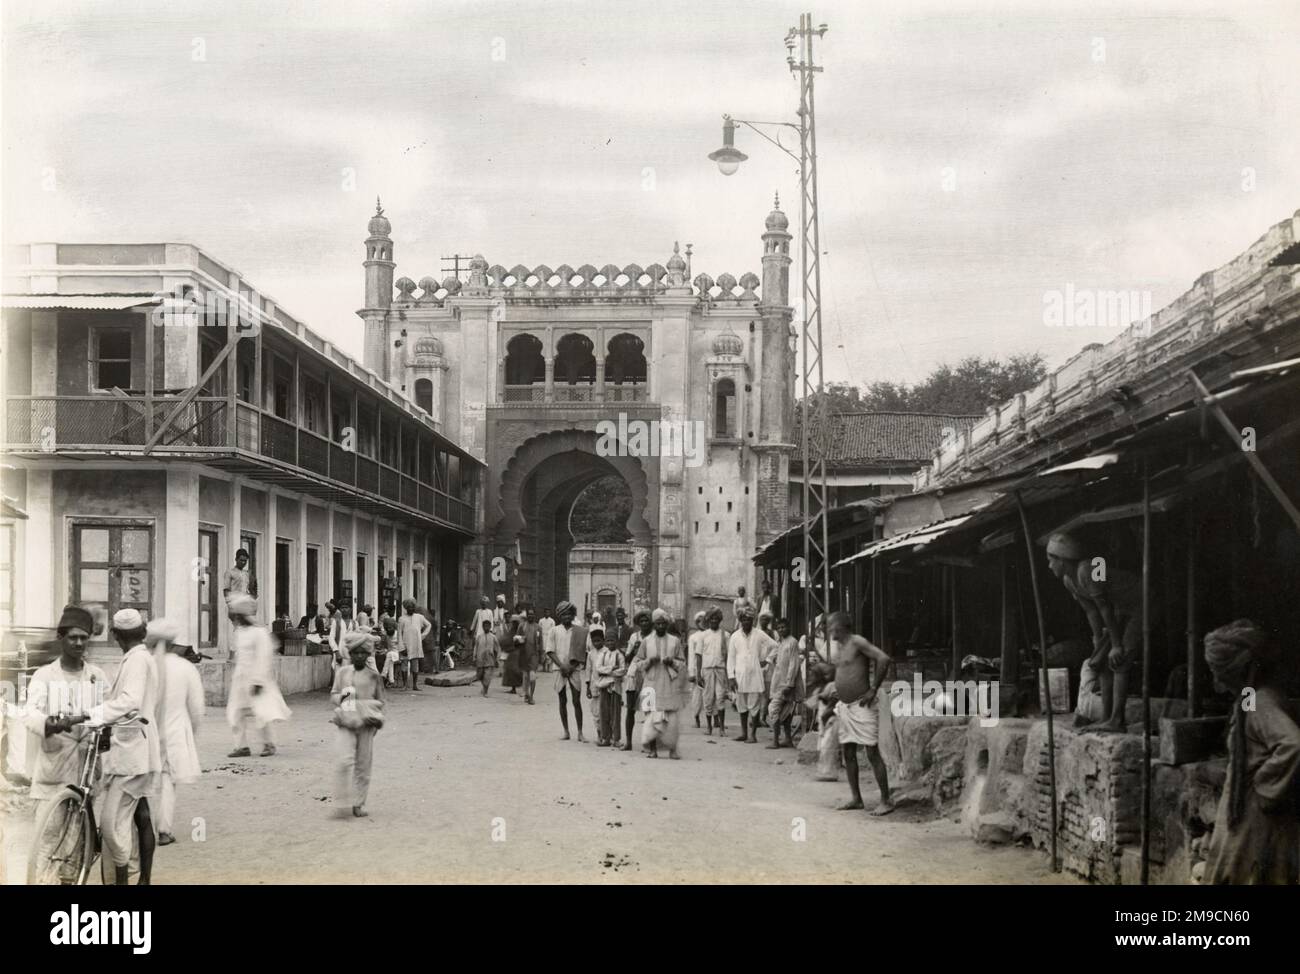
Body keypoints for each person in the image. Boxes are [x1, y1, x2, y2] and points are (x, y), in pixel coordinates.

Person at [1198, 620, 1299, 884]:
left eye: (1215, 669)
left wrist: (1263, 787)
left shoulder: (1260, 701)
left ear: (1231, 670)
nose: (1214, 677)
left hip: (1257, 818)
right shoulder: (1249, 697)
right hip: (1242, 813)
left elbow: (1293, 744)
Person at [88, 609, 161, 886]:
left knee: (110, 825)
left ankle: (123, 881)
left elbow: (130, 701)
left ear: (116, 636)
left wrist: (94, 714)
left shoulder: (138, 660)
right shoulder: (140, 657)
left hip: (133, 753)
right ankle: (143, 879)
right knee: (141, 814)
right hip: (137, 745)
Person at [1046, 531, 1139, 732]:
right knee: (1100, 663)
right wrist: (1098, 640)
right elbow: (1091, 611)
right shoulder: (1069, 580)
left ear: (1062, 560)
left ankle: (1117, 720)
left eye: (1051, 560)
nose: (1049, 566)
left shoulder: (1087, 569)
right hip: (1120, 610)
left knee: (1119, 660)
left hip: (1139, 604)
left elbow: (1104, 607)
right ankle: (1106, 717)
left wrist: (1115, 645)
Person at [24, 606, 107, 829]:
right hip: (55, 766)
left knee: (81, 832)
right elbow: (30, 712)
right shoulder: (45, 675)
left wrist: (105, 730)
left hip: (86, 765)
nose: (79, 643)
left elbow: (108, 709)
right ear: (61, 638)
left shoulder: (96, 676)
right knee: (48, 833)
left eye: (84, 638)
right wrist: (48, 724)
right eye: (73, 638)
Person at [827, 611, 893, 816]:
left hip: (862, 706)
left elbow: (883, 658)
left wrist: (873, 689)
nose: (830, 631)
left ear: (842, 627)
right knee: (848, 752)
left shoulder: (858, 642)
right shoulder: (838, 647)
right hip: (845, 706)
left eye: (832, 626)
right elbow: (844, 671)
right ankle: (856, 798)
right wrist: (837, 688)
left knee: (872, 753)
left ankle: (886, 800)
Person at [145, 619, 204, 847]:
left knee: (145, 778)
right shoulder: (185, 668)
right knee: (168, 780)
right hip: (175, 731)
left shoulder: (145, 664)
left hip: (147, 730)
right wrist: (193, 732)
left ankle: (143, 825)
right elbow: (197, 708)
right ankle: (163, 828)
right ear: (173, 643)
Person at [226, 595, 292, 757]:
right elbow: (237, 654)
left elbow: (264, 657)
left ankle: (269, 744)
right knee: (236, 711)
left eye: (237, 615)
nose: (236, 618)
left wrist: (258, 681)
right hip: (240, 678)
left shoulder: (259, 632)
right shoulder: (239, 632)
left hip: (257, 678)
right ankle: (241, 746)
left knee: (262, 711)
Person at [331, 630, 385, 818]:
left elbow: (381, 701)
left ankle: (358, 803)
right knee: (343, 761)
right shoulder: (343, 673)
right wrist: (346, 701)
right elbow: (334, 695)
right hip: (346, 721)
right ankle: (341, 801)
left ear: (368, 654)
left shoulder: (374, 676)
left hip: (366, 724)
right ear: (350, 654)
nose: (360, 656)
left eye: (363, 653)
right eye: (356, 652)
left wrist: (376, 719)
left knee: (363, 764)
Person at [634, 609, 684, 758]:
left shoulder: (675, 641)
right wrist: (649, 661)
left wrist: (672, 661)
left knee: (672, 718)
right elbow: (637, 662)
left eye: (663, 623)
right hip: (651, 682)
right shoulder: (646, 641)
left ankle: (672, 750)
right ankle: (653, 749)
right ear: (654, 625)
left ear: (667, 624)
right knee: (651, 716)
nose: (661, 626)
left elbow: (682, 663)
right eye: (658, 624)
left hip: (669, 682)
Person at [727, 606, 775, 743]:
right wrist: (731, 676)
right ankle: (744, 733)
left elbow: (775, 646)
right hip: (740, 675)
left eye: (749, 619)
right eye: (744, 619)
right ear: (740, 620)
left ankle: (752, 735)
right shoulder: (735, 636)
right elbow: (730, 658)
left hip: (755, 675)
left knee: (754, 706)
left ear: (753, 620)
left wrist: (767, 660)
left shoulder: (759, 634)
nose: (746, 622)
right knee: (741, 705)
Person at [546, 601, 588, 742]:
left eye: (569, 613)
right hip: (559, 669)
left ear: (573, 615)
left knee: (576, 701)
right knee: (562, 700)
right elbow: (550, 651)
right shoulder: (554, 630)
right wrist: (562, 665)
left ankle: (580, 732)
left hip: (574, 669)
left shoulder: (580, 631)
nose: (566, 616)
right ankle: (566, 731)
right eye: (563, 614)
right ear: (559, 616)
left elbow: (581, 651)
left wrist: (571, 666)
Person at [765, 618, 803, 749]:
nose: (781, 630)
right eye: (779, 628)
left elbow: (794, 664)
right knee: (786, 711)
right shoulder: (780, 642)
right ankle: (787, 739)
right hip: (779, 681)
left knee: (773, 708)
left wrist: (790, 683)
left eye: (783, 627)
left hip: (787, 683)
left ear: (789, 628)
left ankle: (775, 740)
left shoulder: (792, 642)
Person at [621, 610, 652, 751]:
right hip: (634, 673)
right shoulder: (634, 636)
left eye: (647, 621)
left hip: (648, 673)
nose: (644, 623)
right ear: (639, 624)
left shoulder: (654, 636)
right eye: (642, 621)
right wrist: (634, 649)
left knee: (648, 710)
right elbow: (626, 658)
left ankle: (648, 743)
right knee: (630, 709)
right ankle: (628, 742)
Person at [695, 608, 728, 736]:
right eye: (712, 618)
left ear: (719, 620)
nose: (714, 621)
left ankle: (721, 728)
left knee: (720, 697)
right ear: (708, 620)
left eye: (716, 619)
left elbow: (728, 655)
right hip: (707, 670)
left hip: (721, 670)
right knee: (708, 698)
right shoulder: (703, 635)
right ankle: (709, 727)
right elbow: (698, 655)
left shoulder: (725, 635)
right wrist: (698, 674)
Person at [590, 629, 626, 747]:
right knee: (604, 712)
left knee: (615, 713)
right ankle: (605, 738)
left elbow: (622, 670)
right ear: (605, 642)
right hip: (604, 687)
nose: (610, 643)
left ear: (616, 641)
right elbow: (598, 668)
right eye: (608, 641)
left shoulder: (619, 655)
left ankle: (616, 739)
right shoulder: (602, 654)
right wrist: (611, 669)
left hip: (615, 687)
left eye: (613, 640)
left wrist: (607, 673)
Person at [397, 599, 431, 692]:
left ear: (414, 608)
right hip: (405, 645)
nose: (411, 609)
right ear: (406, 609)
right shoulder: (402, 619)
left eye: (412, 607)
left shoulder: (419, 617)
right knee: (404, 665)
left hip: (416, 644)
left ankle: (415, 685)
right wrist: (401, 647)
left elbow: (428, 625)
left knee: (415, 665)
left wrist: (422, 636)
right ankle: (405, 685)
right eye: (409, 608)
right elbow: (399, 634)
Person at [515, 608, 543, 705]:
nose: (531, 616)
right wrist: (519, 640)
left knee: (532, 676)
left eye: (532, 614)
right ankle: (526, 693)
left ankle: (531, 696)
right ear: (527, 616)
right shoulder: (522, 626)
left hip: (534, 655)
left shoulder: (538, 627)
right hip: (524, 654)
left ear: (535, 615)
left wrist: (542, 655)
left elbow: (541, 642)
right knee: (526, 676)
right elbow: (516, 638)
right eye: (529, 614)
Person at [685, 611, 707, 729]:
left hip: (709, 667)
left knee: (712, 694)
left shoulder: (711, 634)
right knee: (696, 695)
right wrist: (692, 673)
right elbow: (691, 655)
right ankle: (696, 718)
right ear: (697, 623)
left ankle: (715, 719)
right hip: (696, 668)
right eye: (699, 621)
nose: (702, 623)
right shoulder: (693, 637)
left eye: (704, 620)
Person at [473, 619, 500, 696]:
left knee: (487, 676)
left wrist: (497, 659)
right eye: (485, 626)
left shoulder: (493, 637)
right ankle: (484, 687)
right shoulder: (479, 637)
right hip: (480, 659)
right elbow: (476, 647)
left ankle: (485, 691)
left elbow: (497, 648)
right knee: (480, 675)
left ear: (490, 627)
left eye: (488, 626)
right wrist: (474, 657)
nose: (486, 627)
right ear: (482, 627)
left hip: (490, 659)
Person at [501, 612, 524, 694]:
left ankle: (521, 688)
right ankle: (513, 688)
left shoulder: (521, 630)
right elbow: (507, 640)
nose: (514, 624)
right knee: (510, 670)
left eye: (516, 622)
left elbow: (523, 640)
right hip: (512, 652)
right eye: (513, 622)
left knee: (517, 670)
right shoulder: (511, 630)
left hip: (518, 652)